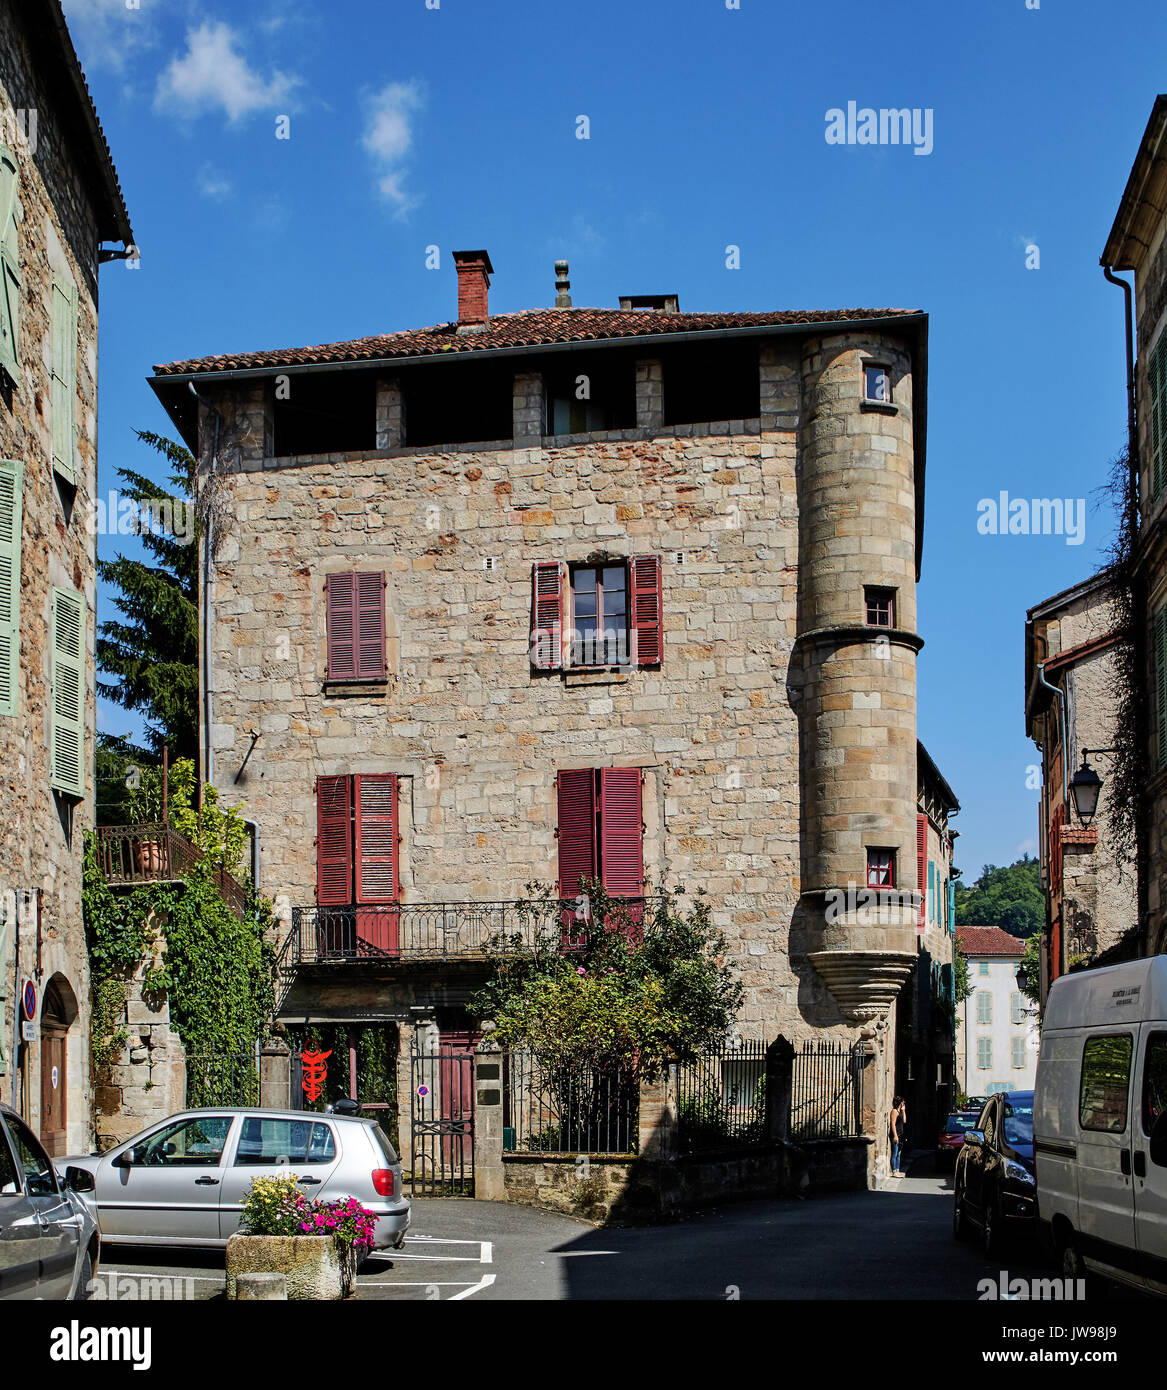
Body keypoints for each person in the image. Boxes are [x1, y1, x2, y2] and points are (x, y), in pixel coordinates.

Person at [889, 1096, 907, 1176]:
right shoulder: (894, 1111)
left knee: (898, 1154)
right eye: (903, 1102)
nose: (904, 1103)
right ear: (900, 1103)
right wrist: (895, 1135)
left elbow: (904, 1121)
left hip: (901, 1135)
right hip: (896, 1135)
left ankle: (897, 1170)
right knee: (895, 1153)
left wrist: (903, 1111)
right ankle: (894, 1171)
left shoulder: (899, 1112)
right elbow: (893, 1124)